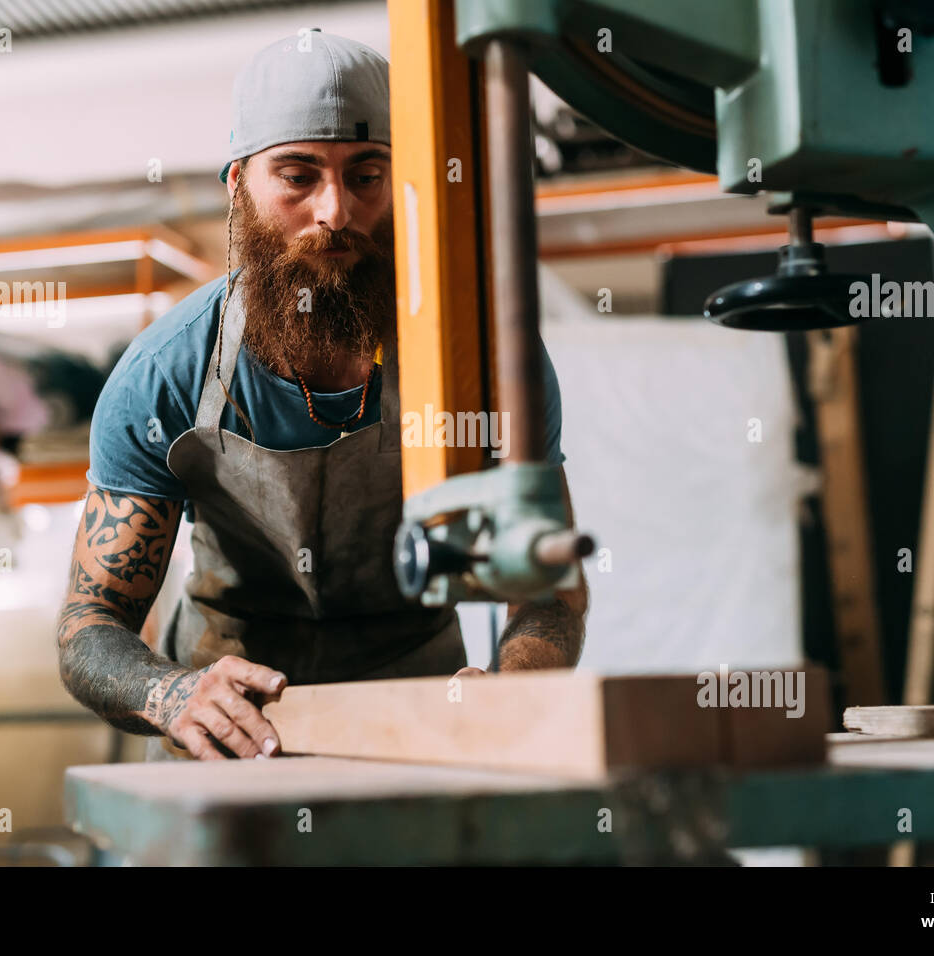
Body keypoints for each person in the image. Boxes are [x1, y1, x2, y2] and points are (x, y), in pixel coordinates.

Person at [56, 30, 588, 761]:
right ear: (238, 184)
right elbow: (91, 623)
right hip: (227, 727)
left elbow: (550, 588)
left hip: (425, 718)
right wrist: (171, 694)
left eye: (366, 176)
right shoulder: (165, 376)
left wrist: (516, 685)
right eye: (298, 176)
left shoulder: (489, 363)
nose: (335, 210)